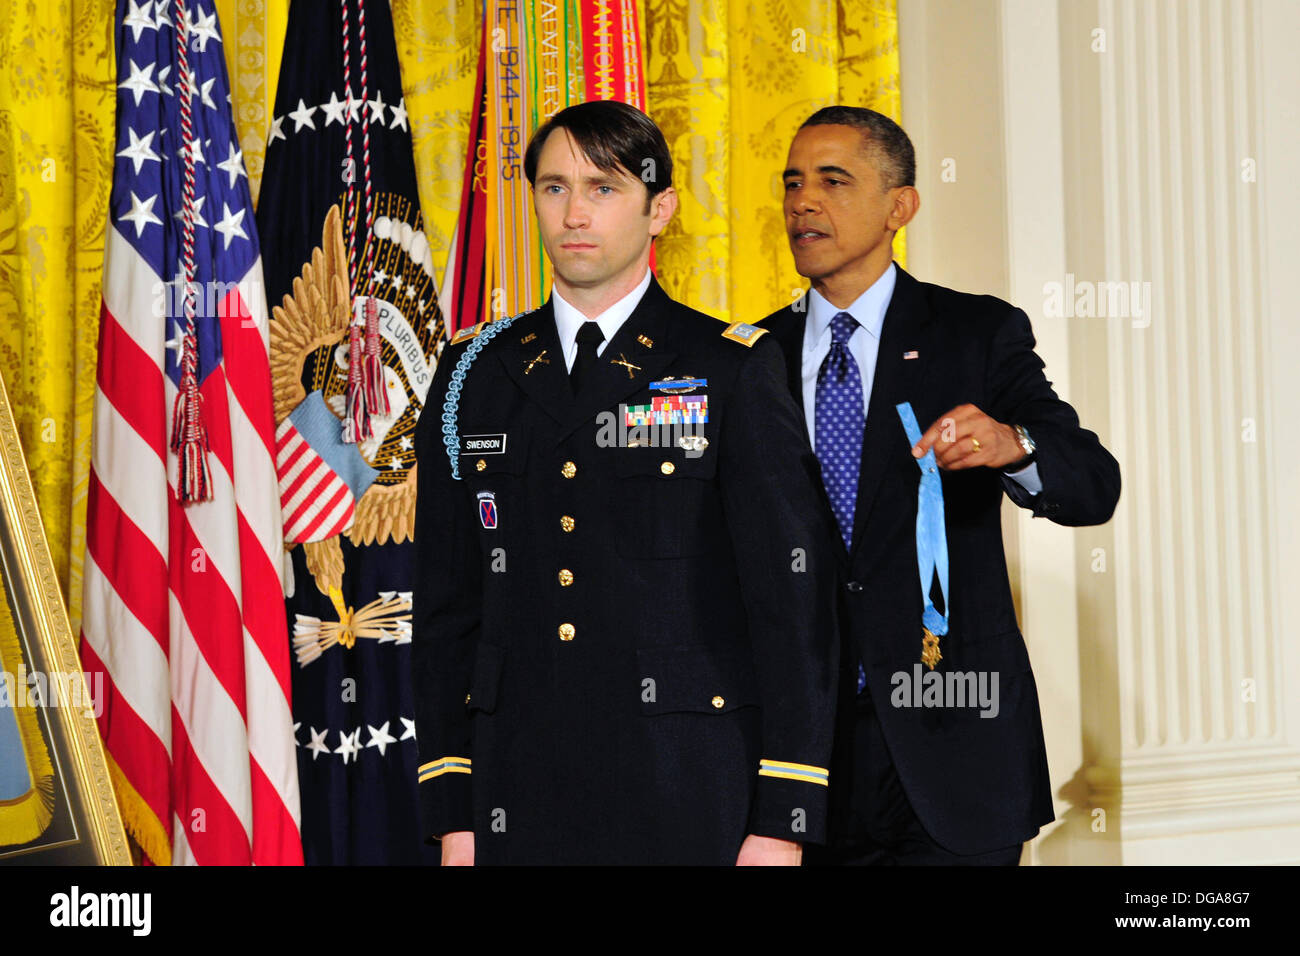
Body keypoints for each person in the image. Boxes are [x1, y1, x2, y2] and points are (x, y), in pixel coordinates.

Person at [411, 100, 837, 865]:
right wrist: (454, 815)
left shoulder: (729, 366)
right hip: (518, 794)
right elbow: (447, 610)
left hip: (691, 788)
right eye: (552, 187)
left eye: (604, 188)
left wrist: (784, 819)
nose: (574, 213)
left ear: (659, 208)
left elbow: (792, 606)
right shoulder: (474, 369)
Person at [760, 106, 1121, 865]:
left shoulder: (975, 333)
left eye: (832, 180)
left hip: (956, 746)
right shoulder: (750, 356)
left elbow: (1092, 484)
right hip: (802, 761)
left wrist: (1012, 445)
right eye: (792, 183)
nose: (803, 202)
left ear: (900, 206)